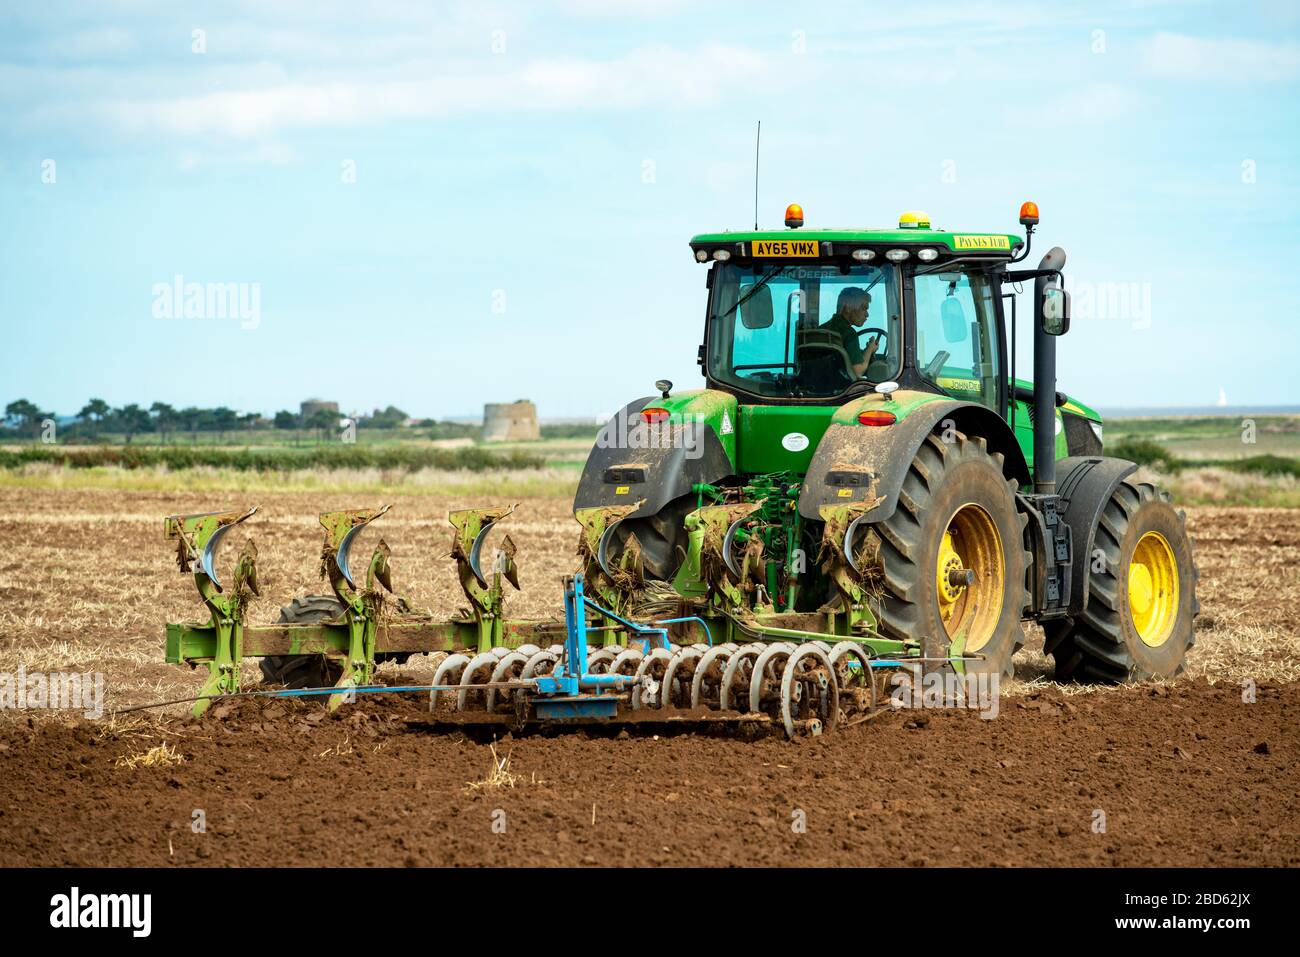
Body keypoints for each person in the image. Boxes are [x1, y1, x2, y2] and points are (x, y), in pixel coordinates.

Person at [820, 287, 880, 378]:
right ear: (848, 307)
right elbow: (857, 371)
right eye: (864, 308)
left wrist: (866, 350)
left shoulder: (822, 329)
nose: (867, 314)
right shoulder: (848, 333)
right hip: (842, 387)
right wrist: (870, 349)